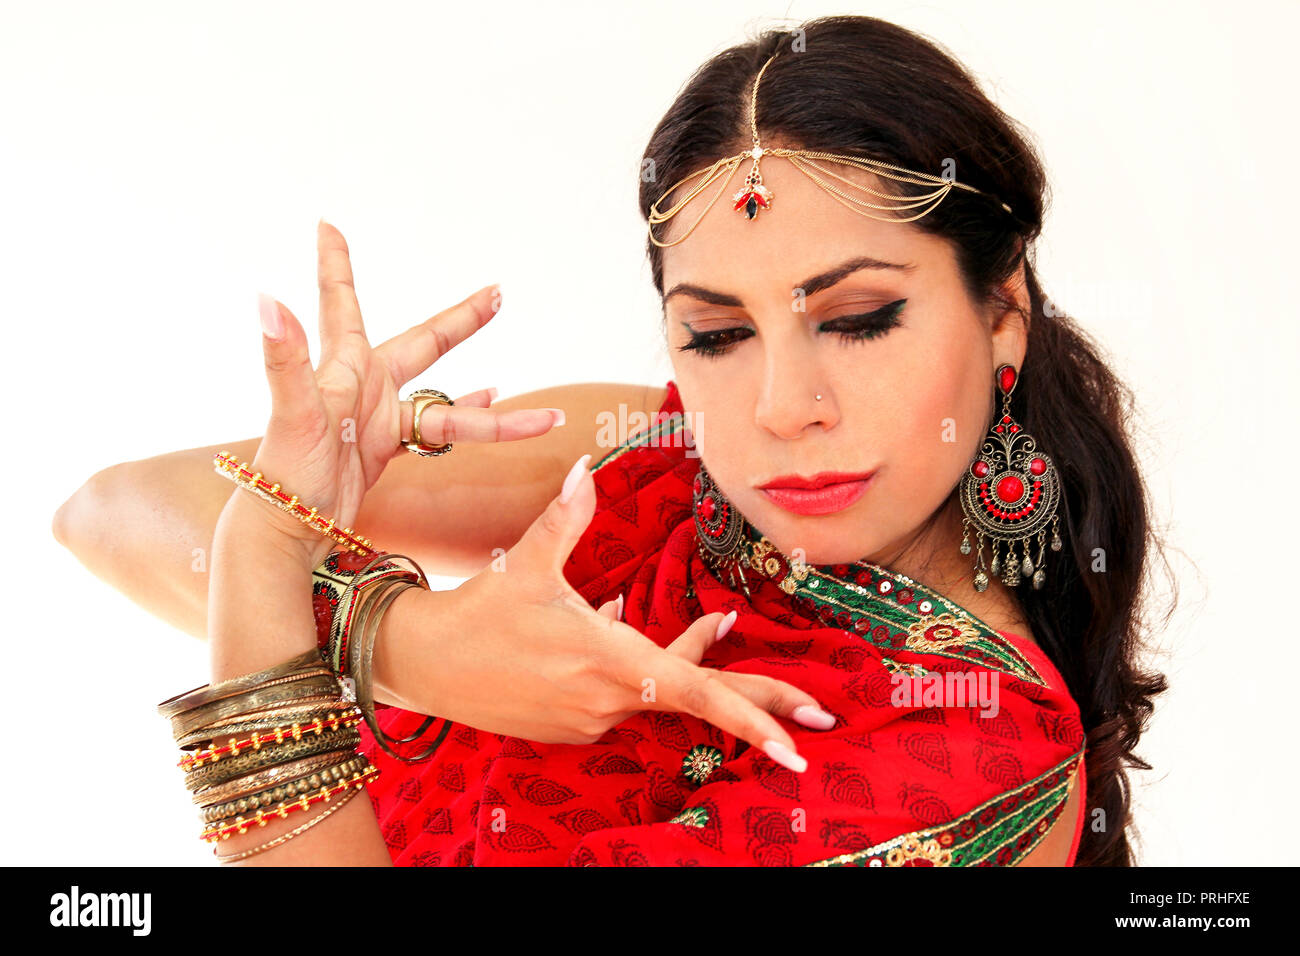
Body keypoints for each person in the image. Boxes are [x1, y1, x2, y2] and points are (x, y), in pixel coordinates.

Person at [55, 15, 1168, 866]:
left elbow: (235, 546)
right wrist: (412, 643)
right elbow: (113, 509)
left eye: (858, 318)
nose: (783, 403)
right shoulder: (655, 463)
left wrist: (275, 560)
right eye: (717, 331)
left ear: (1000, 315)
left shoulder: (969, 763)